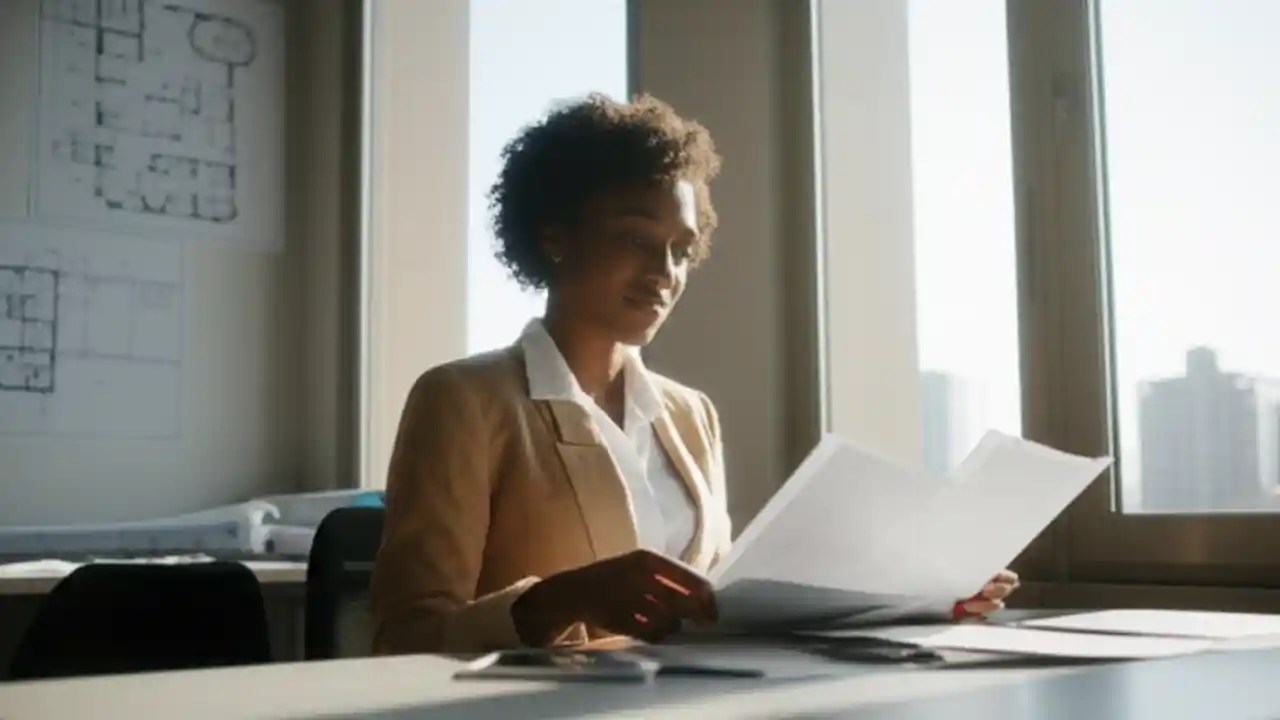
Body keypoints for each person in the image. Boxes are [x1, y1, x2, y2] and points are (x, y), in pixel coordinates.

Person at [369, 94, 1018, 655]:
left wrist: (917, 596)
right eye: (634, 240)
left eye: (681, 250)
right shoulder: (465, 400)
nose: (665, 273)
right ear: (556, 235)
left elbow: (721, 607)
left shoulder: (688, 414)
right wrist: (554, 602)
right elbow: (404, 638)